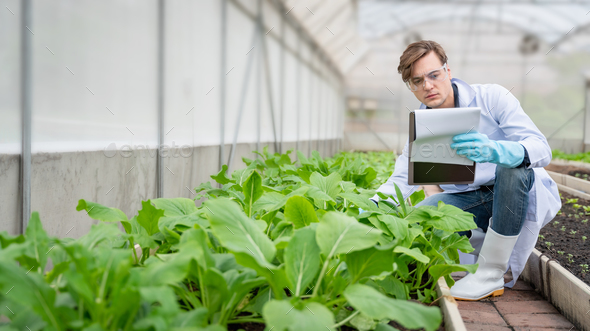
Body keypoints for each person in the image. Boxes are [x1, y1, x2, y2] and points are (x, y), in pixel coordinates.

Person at [373, 40, 561, 301]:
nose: (427, 86)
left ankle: (491, 274)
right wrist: (369, 207)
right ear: (411, 87)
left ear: (448, 71)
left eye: (434, 75)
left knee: (512, 168)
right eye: (417, 81)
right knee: (422, 217)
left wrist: (497, 151)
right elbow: (402, 178)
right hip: (475, 199)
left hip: (516, 191)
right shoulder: (424, 128)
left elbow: (541, 148)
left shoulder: (492, 97)